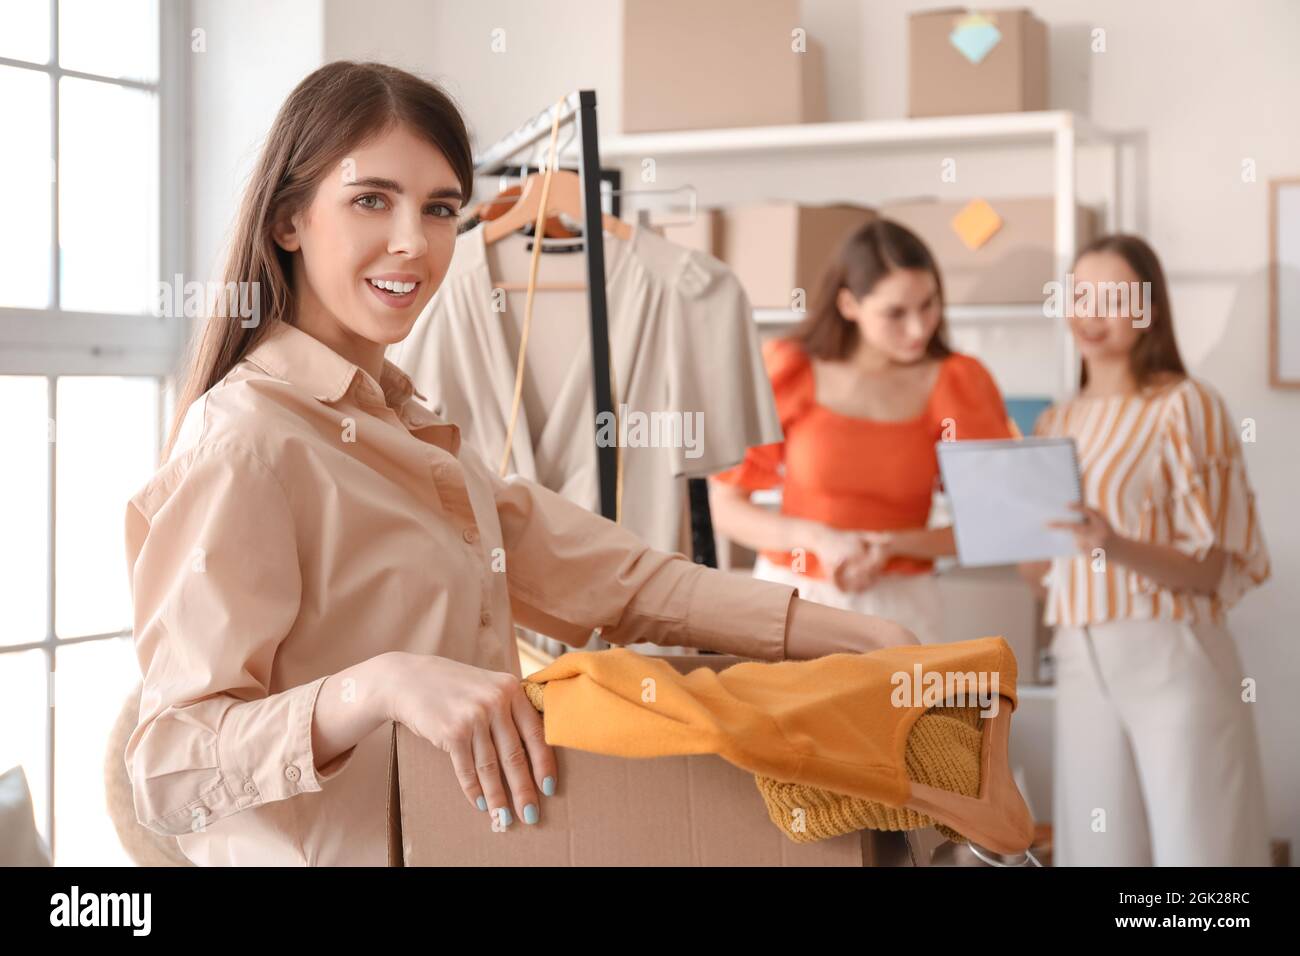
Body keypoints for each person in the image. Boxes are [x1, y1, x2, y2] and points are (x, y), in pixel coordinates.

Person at [121, 61, 917, 867]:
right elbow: (167, 767)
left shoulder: (411, 429)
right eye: (372, 199)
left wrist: (859, 636)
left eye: (439, 209)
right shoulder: (247, 443)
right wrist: (381, 686)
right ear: (290, 219)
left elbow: (628, 582)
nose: (412, 241)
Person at [1021, 234, 1271, 866]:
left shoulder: (1186, 405)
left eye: (1111, 298)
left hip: (1172, 653)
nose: (1089, 314)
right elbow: (1046, 574)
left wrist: (1114, 544)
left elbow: (1212, 566)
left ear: (1148, 311)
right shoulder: (1056, 422)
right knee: (1098, 850)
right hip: (1078, 653)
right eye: (1079, 295)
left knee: (1200, 853)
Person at [709, 219, 1015, 645]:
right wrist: (815, 538)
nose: (918, 328)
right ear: (849, 305)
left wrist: (897, 545)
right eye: (895, 313)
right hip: (791, 597)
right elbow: (725, 508)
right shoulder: (788, 368)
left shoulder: (958, 381)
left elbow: (994, 522)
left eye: (929, 305)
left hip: (901, 609)